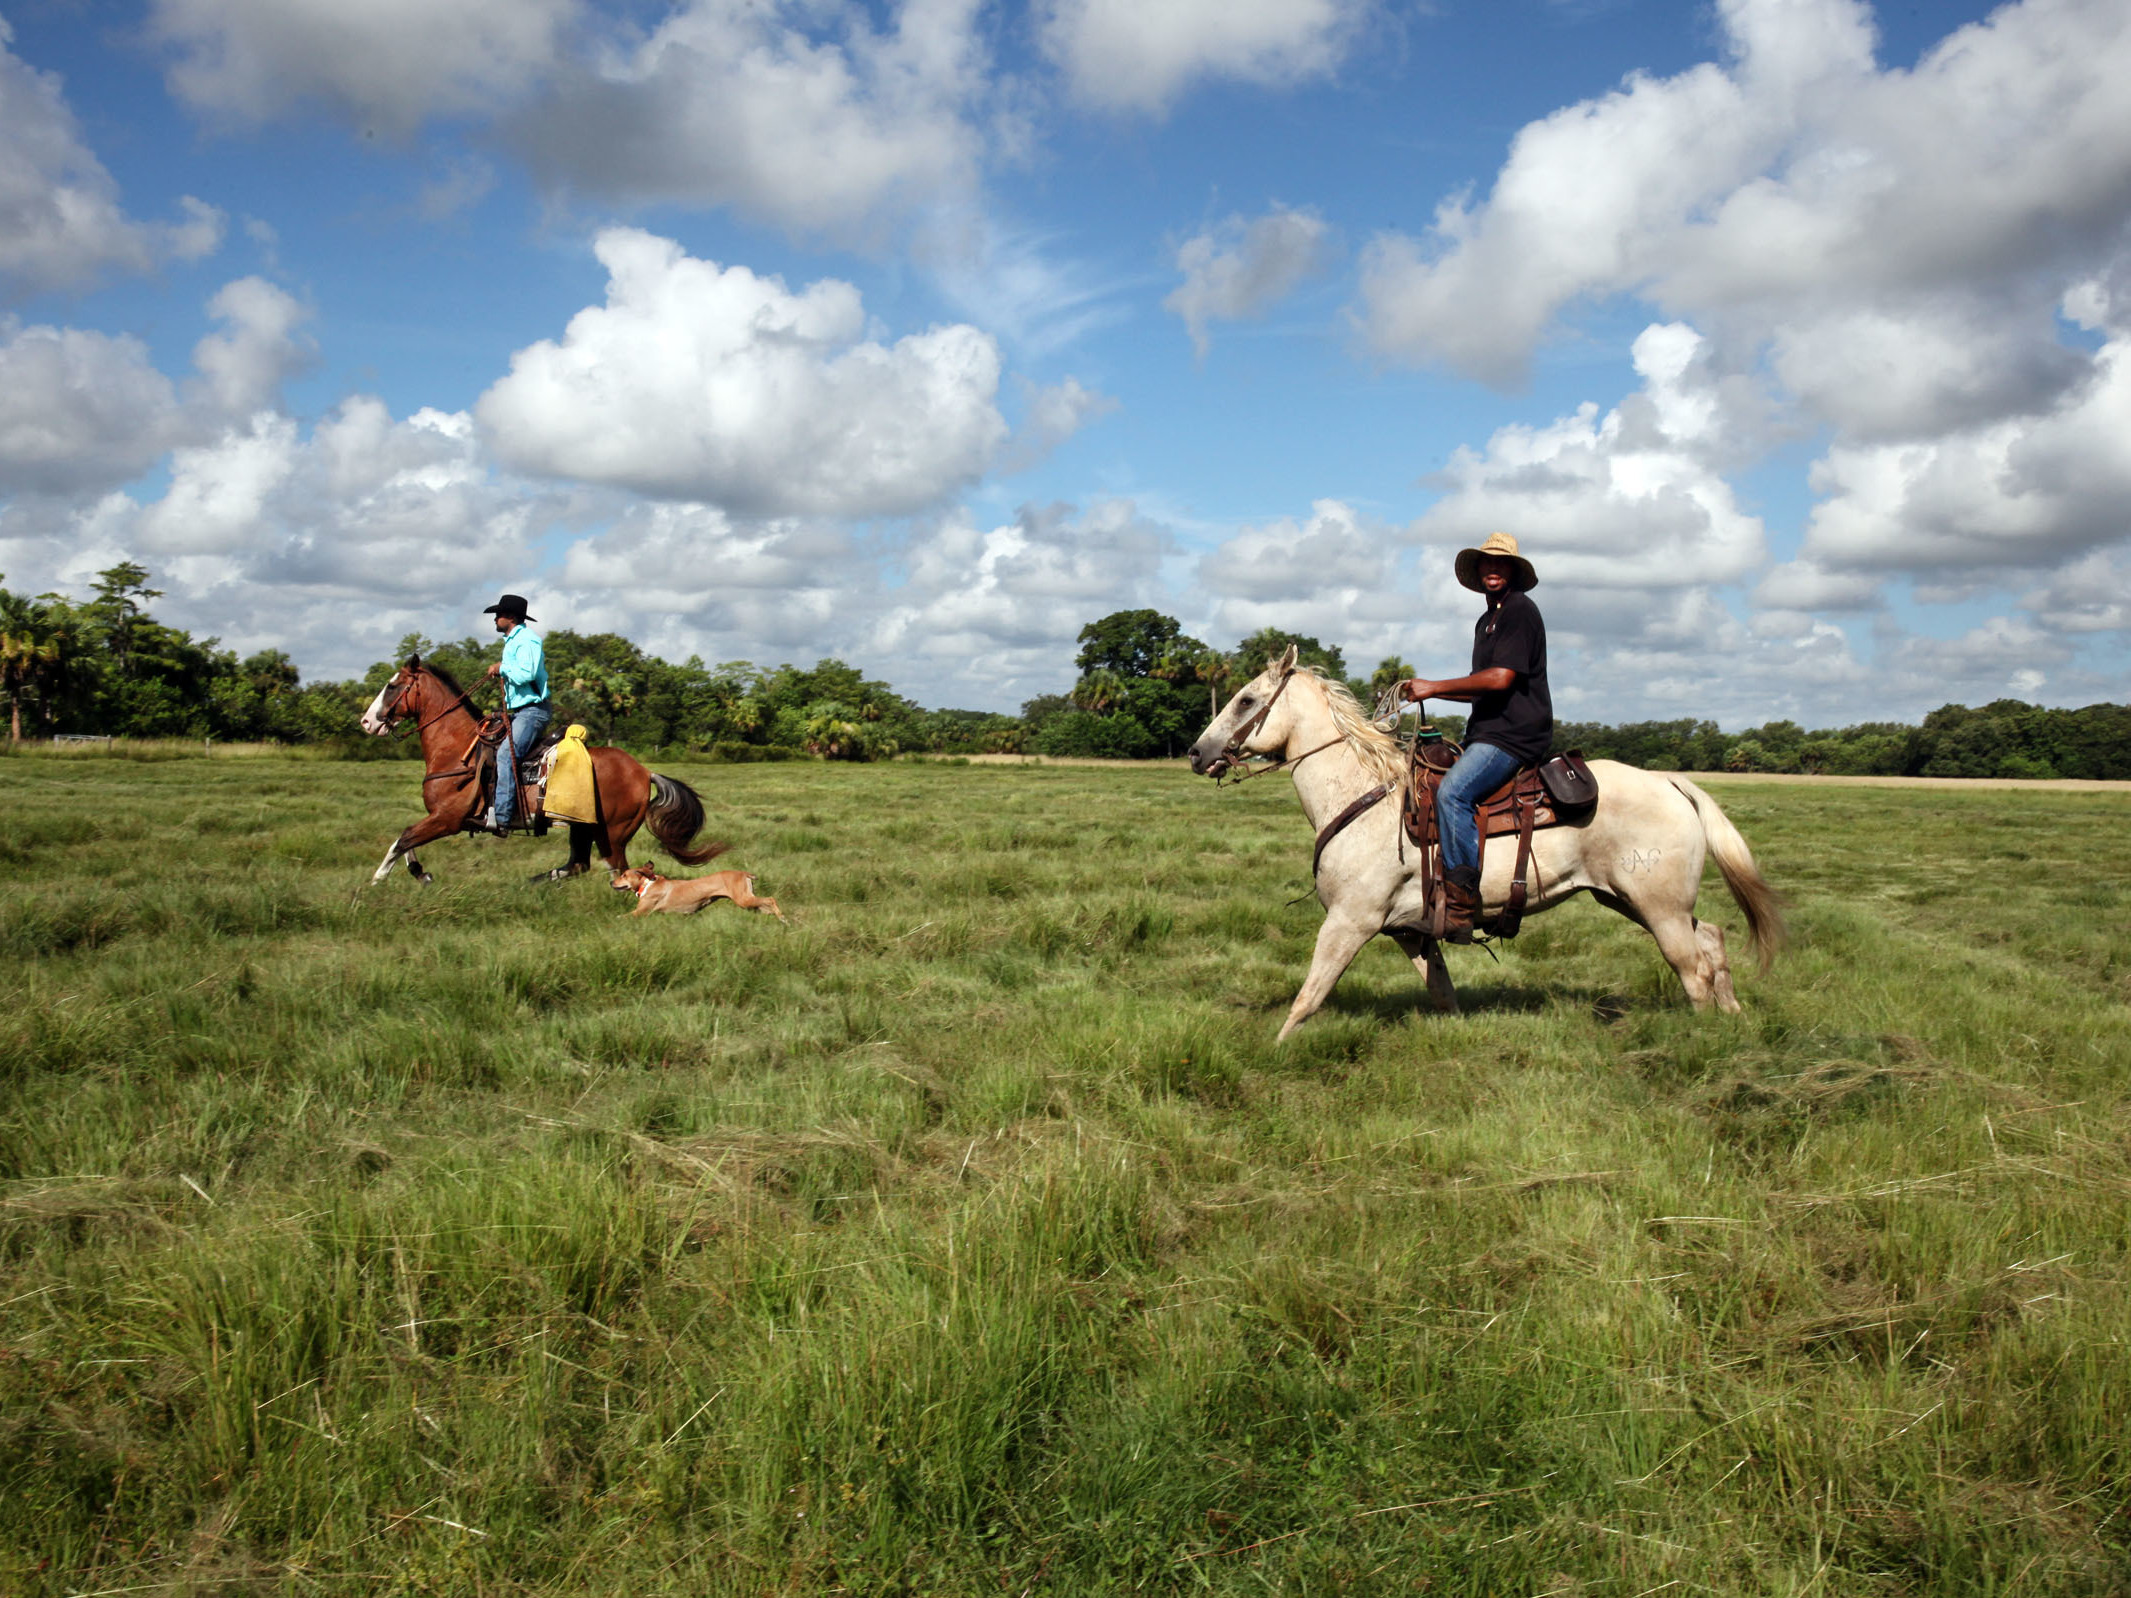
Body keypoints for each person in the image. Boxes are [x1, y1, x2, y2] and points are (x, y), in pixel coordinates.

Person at [1400, 532, 1552, 938]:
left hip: (1514, 735)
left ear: (1514, 571)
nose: (1493, 569)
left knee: (1453, 792)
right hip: (1486, 731)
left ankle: (1462, 907)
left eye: (1501, 564)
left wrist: (1434, 686)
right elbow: (1476, 687)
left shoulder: (1520, 610)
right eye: (1487, 563)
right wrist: (1425, 694)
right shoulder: (1487, 620)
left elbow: (1501, 679)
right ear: (1478, 571)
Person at [480, 593, 551, 835]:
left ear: (510, 617)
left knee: (505, 756)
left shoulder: (528, 640)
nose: (495, 619)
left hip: (533, 712)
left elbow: (526, 674)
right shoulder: (513, 640)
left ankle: (502, 818)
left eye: (498, 615)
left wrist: (502, 668)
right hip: (520, 711)